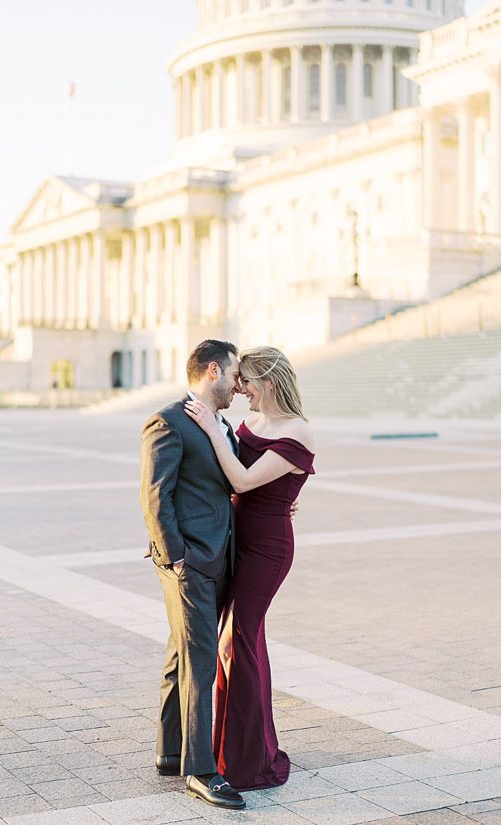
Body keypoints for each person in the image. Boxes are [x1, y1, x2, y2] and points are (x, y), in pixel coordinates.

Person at [184, 345, 315, 791]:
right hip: (237, 541)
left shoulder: (298, 430)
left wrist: (209, 427)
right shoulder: (253, 422)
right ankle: (246, 747)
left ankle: (247, 763)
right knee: (243, 644)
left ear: (270, 383)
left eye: (246, 382)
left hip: (267, 550)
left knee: (235, 643)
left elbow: (241, 478)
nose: (239, 390)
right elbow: (236, 478)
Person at [139, 339, 246, 811]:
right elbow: (154, 496)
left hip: (218, 557)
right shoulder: (169, 422)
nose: (239, 385)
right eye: (234, 374)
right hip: (189, 562)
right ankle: (202, 770)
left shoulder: (222, 426)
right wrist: (176, 557)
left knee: (181, 651)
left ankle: (170, 750)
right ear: (211, 371)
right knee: (201, 660)